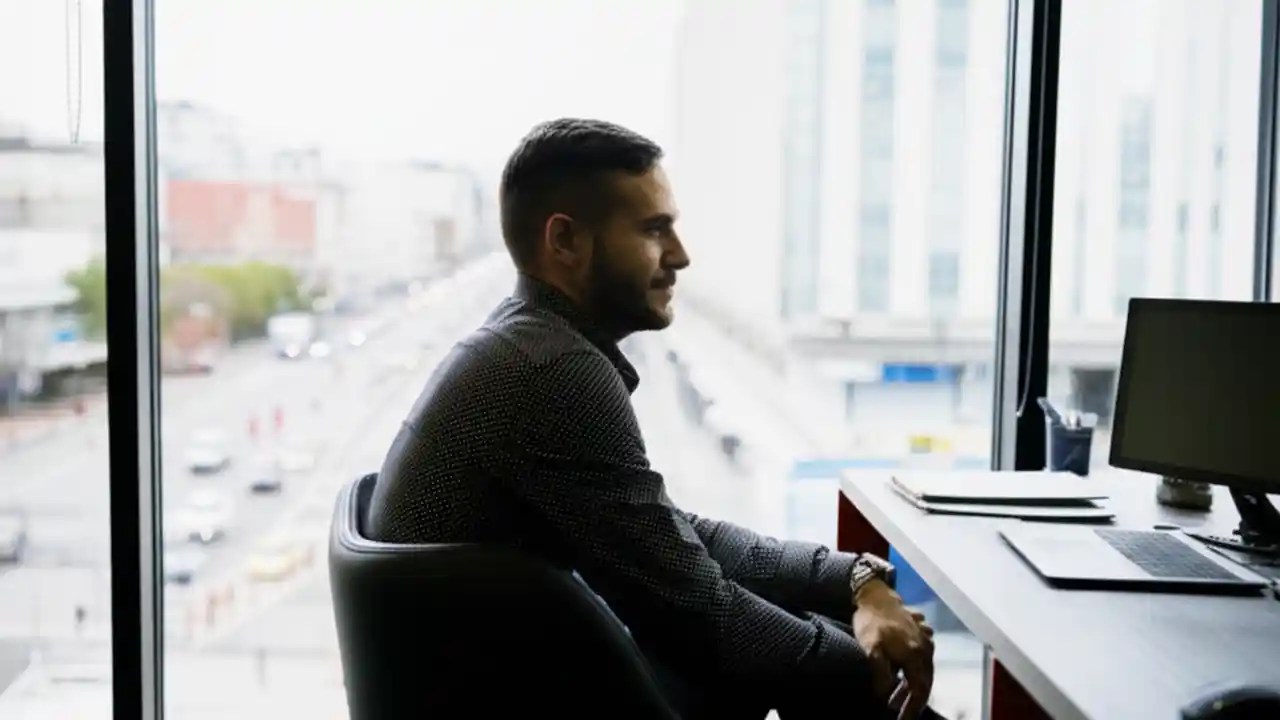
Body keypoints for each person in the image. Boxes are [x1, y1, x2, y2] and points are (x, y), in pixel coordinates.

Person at [366, 118, 940, 719]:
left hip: (519, 679)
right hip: (512, 695)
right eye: (652, 230)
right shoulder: (550, 369)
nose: (680, 255)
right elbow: (705, 618)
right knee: (843, 666)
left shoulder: (528, 343)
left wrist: (852, 579)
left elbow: (673, 535)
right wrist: (879, 666)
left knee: (817, 632)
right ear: (564, 241)